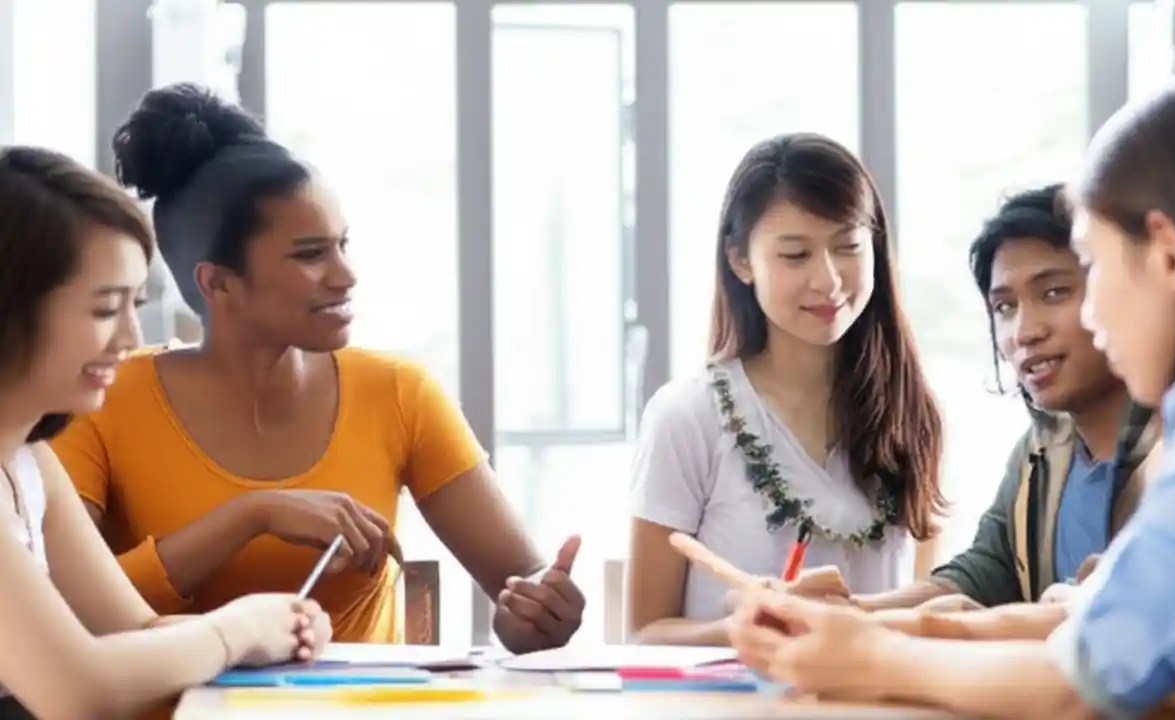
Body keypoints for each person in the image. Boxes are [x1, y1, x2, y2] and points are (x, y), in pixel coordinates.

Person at [725, 73, 1175, 719]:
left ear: (1169, 255)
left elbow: (1086, 683)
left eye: (1089, 270)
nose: (1091, 314)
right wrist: (880, 632)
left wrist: (868, 658)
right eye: (1004, 307)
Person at [49, 83, 584, 652]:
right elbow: (67, 615)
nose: (345, 275)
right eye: (310, 254)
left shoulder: (400, 393)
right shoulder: (101, 399)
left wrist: (536, 614)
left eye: (342, 245)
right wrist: (252, 515)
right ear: (217, 283)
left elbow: (519, 588)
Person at [0, 145, 330, 719]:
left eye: (136, 305)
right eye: (106, 309)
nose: (130, 336)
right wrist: (235, 630)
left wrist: (275, 626)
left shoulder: (28, 459)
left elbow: (136, 628)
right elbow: (80, 691)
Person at [627, 133, 946, 645]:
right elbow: (644, 632)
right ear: (740, 261)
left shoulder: (912, 411)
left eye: (848, 248)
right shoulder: (688, 416)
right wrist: (748, 627)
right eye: (796, 255)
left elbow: (927, 597)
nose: (829, 281)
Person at [854, 184, 1163, 613]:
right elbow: (986, 571)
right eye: (1004, 307)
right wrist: (850, 612)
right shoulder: (1042, 449)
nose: (1024, 331)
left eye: (1054, 292)